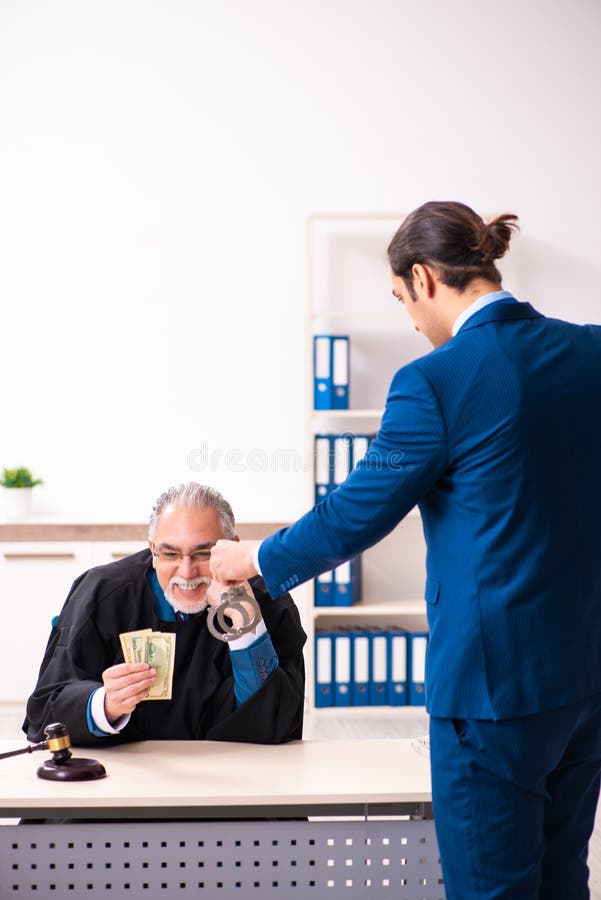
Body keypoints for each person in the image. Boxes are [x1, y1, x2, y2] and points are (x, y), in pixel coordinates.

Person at [209, 201, 601, 900]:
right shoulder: (589, 352)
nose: (410, 322)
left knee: (492, 889)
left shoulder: (435, 381)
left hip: (492, 690)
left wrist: (254, 561)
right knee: (562, 878)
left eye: (400, 300)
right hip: (584, 679)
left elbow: (357, 510)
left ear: (423, 278)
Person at [24, 482, 306, 747]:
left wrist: (247, 627)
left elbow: (279, 725)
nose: (186, 572)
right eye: (170, 554)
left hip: (232, 778)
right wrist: (104, 705)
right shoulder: (102, 594)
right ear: (153, 550)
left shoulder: (268, 602)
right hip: (124, 781)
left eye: (203, 553)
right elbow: (45, 712)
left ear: (232, 545)